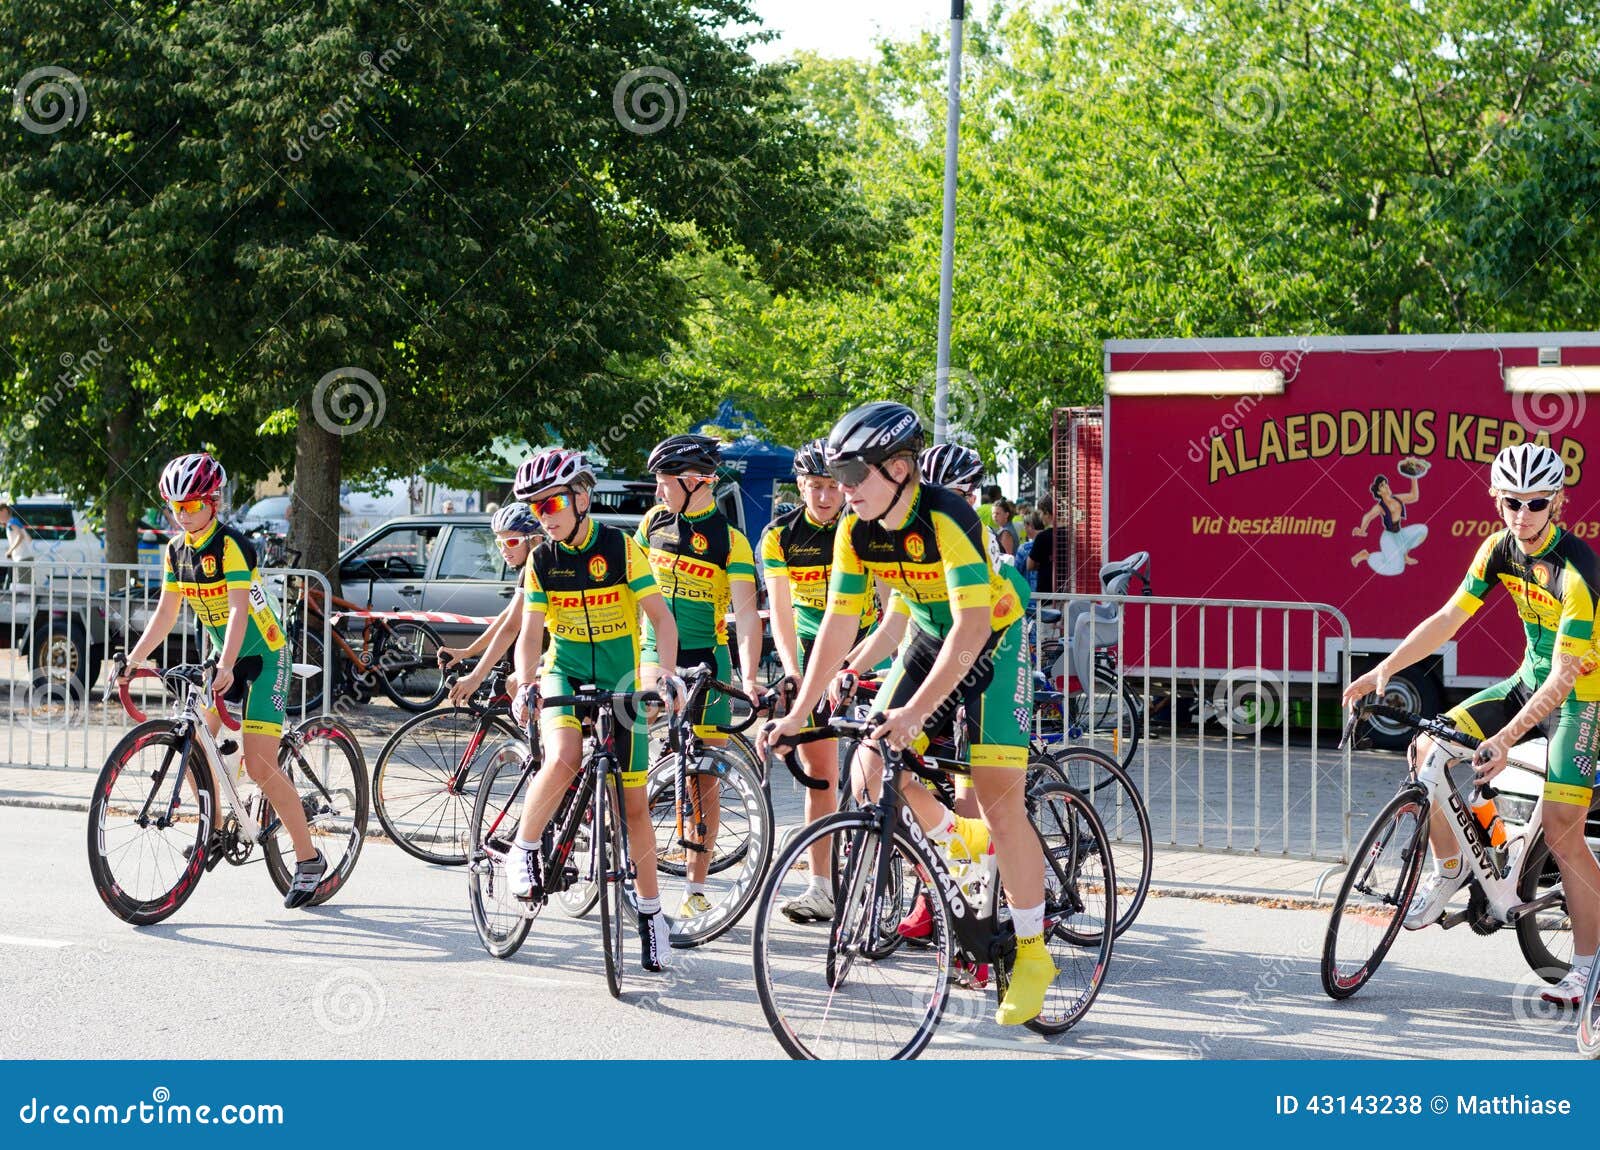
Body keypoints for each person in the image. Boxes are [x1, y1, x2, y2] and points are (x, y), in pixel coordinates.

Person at [758, 402, 1054, 1026]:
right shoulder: (854, 528)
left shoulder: (950, 518)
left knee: (1001, 802)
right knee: (867, 764)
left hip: (993, 642)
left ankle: (1032, 949)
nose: (842, 490)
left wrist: (917, 712)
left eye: (853, 475)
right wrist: (797, 713)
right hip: (927, 636)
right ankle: (955, 838)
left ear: (898, 468)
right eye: (835, 476)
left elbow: (971, 627)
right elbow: (838, 628)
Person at [1343, 443, 1600, 1006]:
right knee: (1426, 748)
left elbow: (1562, 679)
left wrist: (1505, 740)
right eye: (1513, 501)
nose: (1524, 513)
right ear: (1497, 501)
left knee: (1561, 829)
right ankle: (1452, 867)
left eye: (1537, 502)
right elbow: (1448, 619)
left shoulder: (1578, 571)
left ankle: (1586, 971)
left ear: (1557, 503)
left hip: (1580, 697)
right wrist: (1384, 669)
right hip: (1526, 683)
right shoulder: (1498, 550)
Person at [506, 448, 686, 972]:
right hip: (563, 672)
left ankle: (652, 917)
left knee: (633, 807)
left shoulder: (623, 550)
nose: (546, 516)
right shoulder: (541, 561)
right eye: (536, 510)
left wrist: (666, 675)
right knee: (561, 757)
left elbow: (661, 619)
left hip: (621, 679)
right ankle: (525, 846)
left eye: (553, 503)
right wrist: (526, 681)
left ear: (582, 498)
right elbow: (531, 632)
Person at [118, 453, 325, 908]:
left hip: (265, 654)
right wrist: (133, 660)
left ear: (213, 503)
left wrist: (227, 664)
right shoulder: (175, 552)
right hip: (222, 656)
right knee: (194, 745)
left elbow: (237, 610)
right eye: (175, 506)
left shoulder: (230, 546)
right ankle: (213, 828)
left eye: (192, 504)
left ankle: (309, 861)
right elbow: (166, 613)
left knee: (258, 766)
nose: (183, 514)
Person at [635, 433, 763, 921]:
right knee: (636, 723)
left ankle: (696, 887)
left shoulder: (732, 541)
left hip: (709, 657)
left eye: (665, 481)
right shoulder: (652, 523)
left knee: (701, 779)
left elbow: (748, 617)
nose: (658, 491)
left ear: (694, 481)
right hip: (654, 651)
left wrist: (749, 678)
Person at [761, 438, 881, 923]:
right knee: (822, 774)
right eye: (815, 487)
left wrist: (853, 663)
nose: (826, 497)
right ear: (800, 486)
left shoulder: (862, 526)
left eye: (833, 486)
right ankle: (822, 886)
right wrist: (793, 669)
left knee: (886, 767)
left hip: (868, 648)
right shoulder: (780, 535)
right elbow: (782, 613)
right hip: (813, 653)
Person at [437, 502, 540, 704]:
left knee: (515, 685)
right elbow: (507, 617)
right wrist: (468, 651)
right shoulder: (530, 567)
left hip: (567, 656)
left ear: (534, 540)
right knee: (515, 689)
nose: (503, 550)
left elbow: (511, 627)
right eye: (499, 543)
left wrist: (476, 677)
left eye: (511, 542)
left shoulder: (536, 565)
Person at [1350, 469, 1427, 574]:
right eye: (1382, 486)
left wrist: (1414, 477)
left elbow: (1414, 496)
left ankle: (1404, 555)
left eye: (1385, 483)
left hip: (1400, 533)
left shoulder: (1397, 498)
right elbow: (1368, 516)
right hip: (1388, 538)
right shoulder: (1379, 507)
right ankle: (1367, 556)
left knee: (1423, 530)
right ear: (1378, 492)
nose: (1386, 486)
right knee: (1398, 568)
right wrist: (1361, 529)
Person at [0, 499, 34, 587]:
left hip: (22, 558)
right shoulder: (14, 521)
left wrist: (10, 551)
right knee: (26, 585)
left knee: (23, 587)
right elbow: (28, 538)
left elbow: (20, 536)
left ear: (4, 511)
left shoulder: (11, 523)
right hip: (25, 557)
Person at [1028, 497, 1057, 597]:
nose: (1040, 517)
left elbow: (1030, 565)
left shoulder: (1042, 537)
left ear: (1047, 513)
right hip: (1067, 593)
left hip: (1046, 592)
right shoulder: (1069, 533)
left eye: (1041, 513)